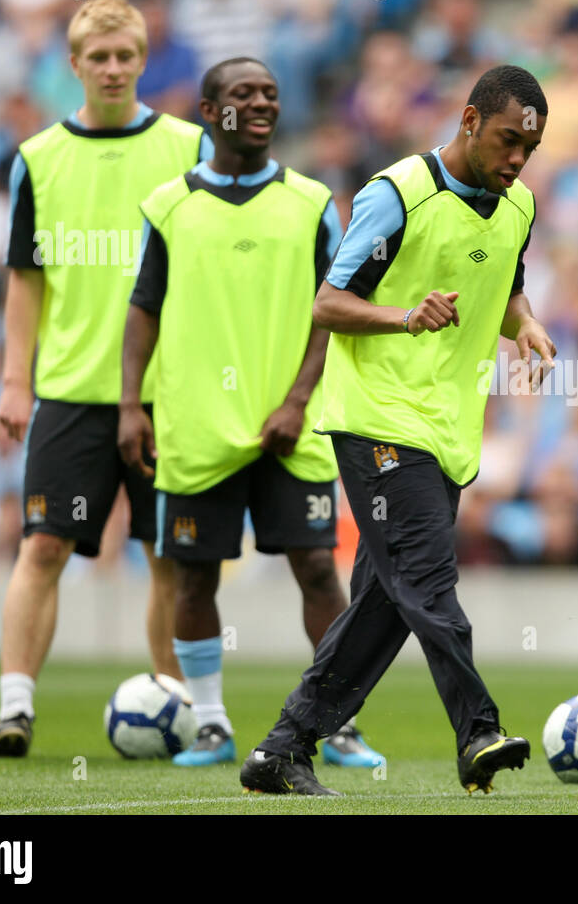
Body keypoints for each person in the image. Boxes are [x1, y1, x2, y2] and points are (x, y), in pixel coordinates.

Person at [239, 64, 553, 796]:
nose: (516, 160)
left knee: (386, 603)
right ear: (470, 120)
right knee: (427, 579)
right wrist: (404, 316)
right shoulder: (398, 194)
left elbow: (503, 286)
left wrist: (528, 324)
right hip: (377, 418)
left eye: (528, 150)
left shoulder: (518, 207)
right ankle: (477, 730)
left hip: (446, 433)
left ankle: (283, 750)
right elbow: (330, 302)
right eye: (507, 141)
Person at [118, 58, 383, 770]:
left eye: (270, 91)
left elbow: (336, 311)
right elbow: (142, 311)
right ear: (210, 111)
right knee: (194, 576)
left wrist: (298, 399)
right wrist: (129, 407)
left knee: (317, 572)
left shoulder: (311, 202)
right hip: (197, 426)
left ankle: (337, 725)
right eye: (244, 94)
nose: (262, 102)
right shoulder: (169, 204)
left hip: (289, 430)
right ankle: (210, 724)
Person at [0, 0, 210, 758]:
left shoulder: (190, 148)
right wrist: (15, 380)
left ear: (143, 60)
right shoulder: (38, 158)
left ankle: (180, 710)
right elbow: (25, 279)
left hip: (164, 394)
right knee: (43, 546)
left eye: (125, 55)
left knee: (170, 556)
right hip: (71, 392)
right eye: (98, 57)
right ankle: (15, 708)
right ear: (74, 65)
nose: (112, 69)